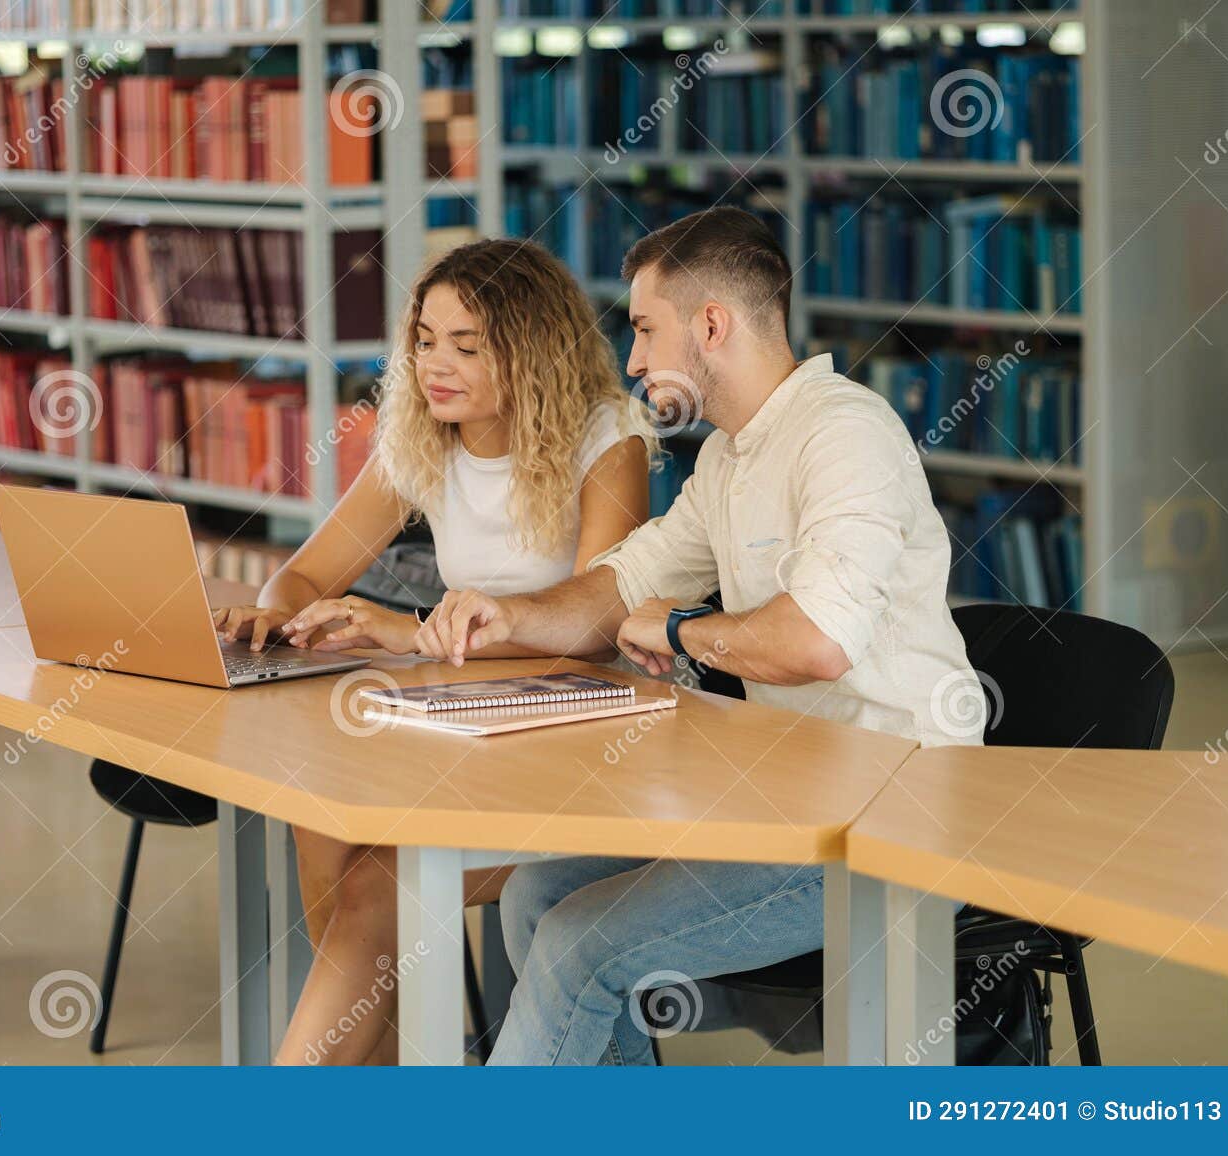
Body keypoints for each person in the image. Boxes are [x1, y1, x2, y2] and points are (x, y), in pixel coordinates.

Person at [414, 206, 984, 1065]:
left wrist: (682, 632)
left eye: (645, 329)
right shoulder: (726, 460)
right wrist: (509, 613)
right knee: (536, 894)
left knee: (581, 946)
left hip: (891, 808)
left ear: (710, 326)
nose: (634, 359)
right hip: (793, 797)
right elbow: (619, 588)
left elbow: (818, 642)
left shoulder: (846, 433)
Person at [211, 238, 656, 1065]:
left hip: (582, 739)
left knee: (379, 881)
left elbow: (599, 625)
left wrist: (411, 634)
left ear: (531, 349)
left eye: (467, 344)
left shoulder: (607, 437)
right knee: (323, 824)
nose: (433, 365)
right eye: (423, 340)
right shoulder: (423, 433)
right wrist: (282, 620)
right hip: (462, 719)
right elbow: (304, 573)